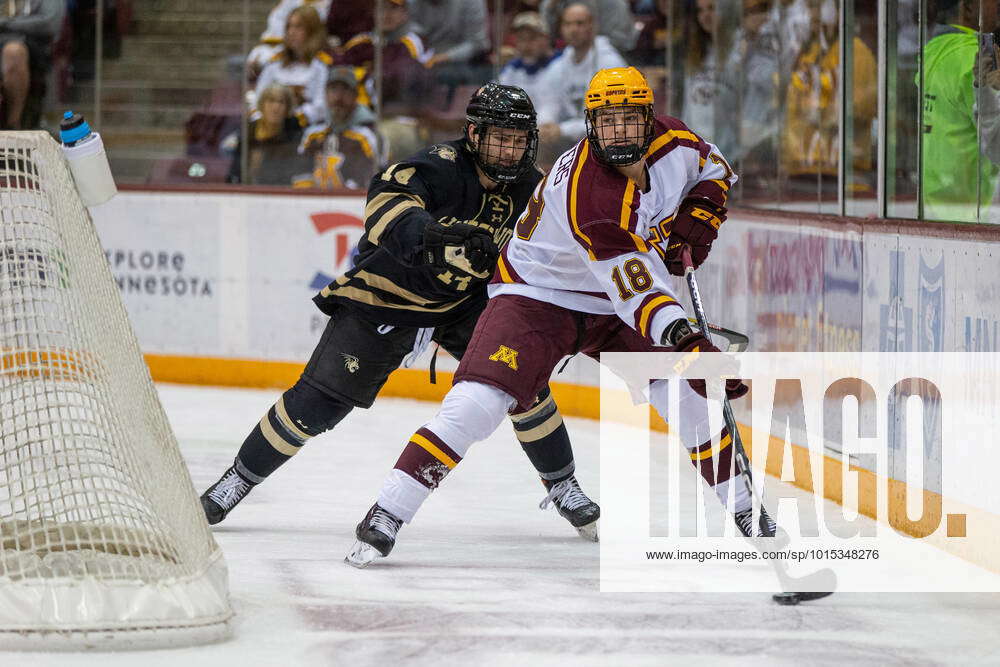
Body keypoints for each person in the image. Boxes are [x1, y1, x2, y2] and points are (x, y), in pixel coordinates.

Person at [346, 67, 777, 568]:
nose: (618, 133)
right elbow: (634, 289)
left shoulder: (678, 141)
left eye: (628, 121)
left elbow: (716, 169)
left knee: (688, 397)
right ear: (590, 124)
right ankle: (386, 513)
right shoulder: (590, 193)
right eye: (606, 122)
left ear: (649, 119)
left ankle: (749, 514)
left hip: (613, 299)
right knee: (477, 405)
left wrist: (700, 214)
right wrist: (685, 339)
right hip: (538, 295)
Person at [201, 84, 599, 544]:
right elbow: (384, 203)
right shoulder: (438, 166)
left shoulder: (533, 187)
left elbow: (564, 246)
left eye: (517, 140)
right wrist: (434, 237)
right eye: (498, 138)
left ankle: (563, 483)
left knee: (523, 384)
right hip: (386, 297)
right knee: (315, 404)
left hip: (465, 305)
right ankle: (238, 479)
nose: (509, 150)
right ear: (473, 134)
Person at [920, 0, 1000, 222]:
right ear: (967, 7)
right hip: (975, 216)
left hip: (933, 209)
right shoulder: (974, 57)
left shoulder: (932, 50)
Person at [535, 3, 627, 164]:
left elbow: (611, 120)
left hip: (606, 145)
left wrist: (563, 130)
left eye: (579, 23)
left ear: (592, 26)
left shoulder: (611, 64)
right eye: (567, 24)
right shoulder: (559, 65)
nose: (573, 29)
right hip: (568, 142)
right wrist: (546, 125)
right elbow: (548, 103)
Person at [296, 68, 382, 189]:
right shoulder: (312, 134)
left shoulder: (368, 135)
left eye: (345, 90)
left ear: (356, 96)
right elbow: (301, 173)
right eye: (333, 89)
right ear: (325, 94)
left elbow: (368, 180)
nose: (338, 96)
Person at [254, 5, 332, 127]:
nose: (291, 32)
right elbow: (257, 100)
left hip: (305, 129)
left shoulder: (321, 66)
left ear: (312, 31)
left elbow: (321, 106)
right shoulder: (274, 65)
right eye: (289, 26)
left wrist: (292, 120)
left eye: (298, 27)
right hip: (270, 129)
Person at [0, 0, 65, 129]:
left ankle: (13, 123)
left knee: (13, 51)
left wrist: (6, 24)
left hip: (32, 45)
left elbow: (50, 24)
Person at [226, 83, 305, 185]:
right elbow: (235, 170)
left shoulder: (294, 131)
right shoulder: (248, 129)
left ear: (288, 108)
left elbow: (293, 171)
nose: (276, 107)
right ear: (261, 105)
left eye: (281, 102)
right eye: (271, 101)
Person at [498, 12, 561, 105]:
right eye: (521, 39)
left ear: (546, 38)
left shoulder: (561, 63)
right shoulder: (512, 68)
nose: (525, 45)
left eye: (532, 38)